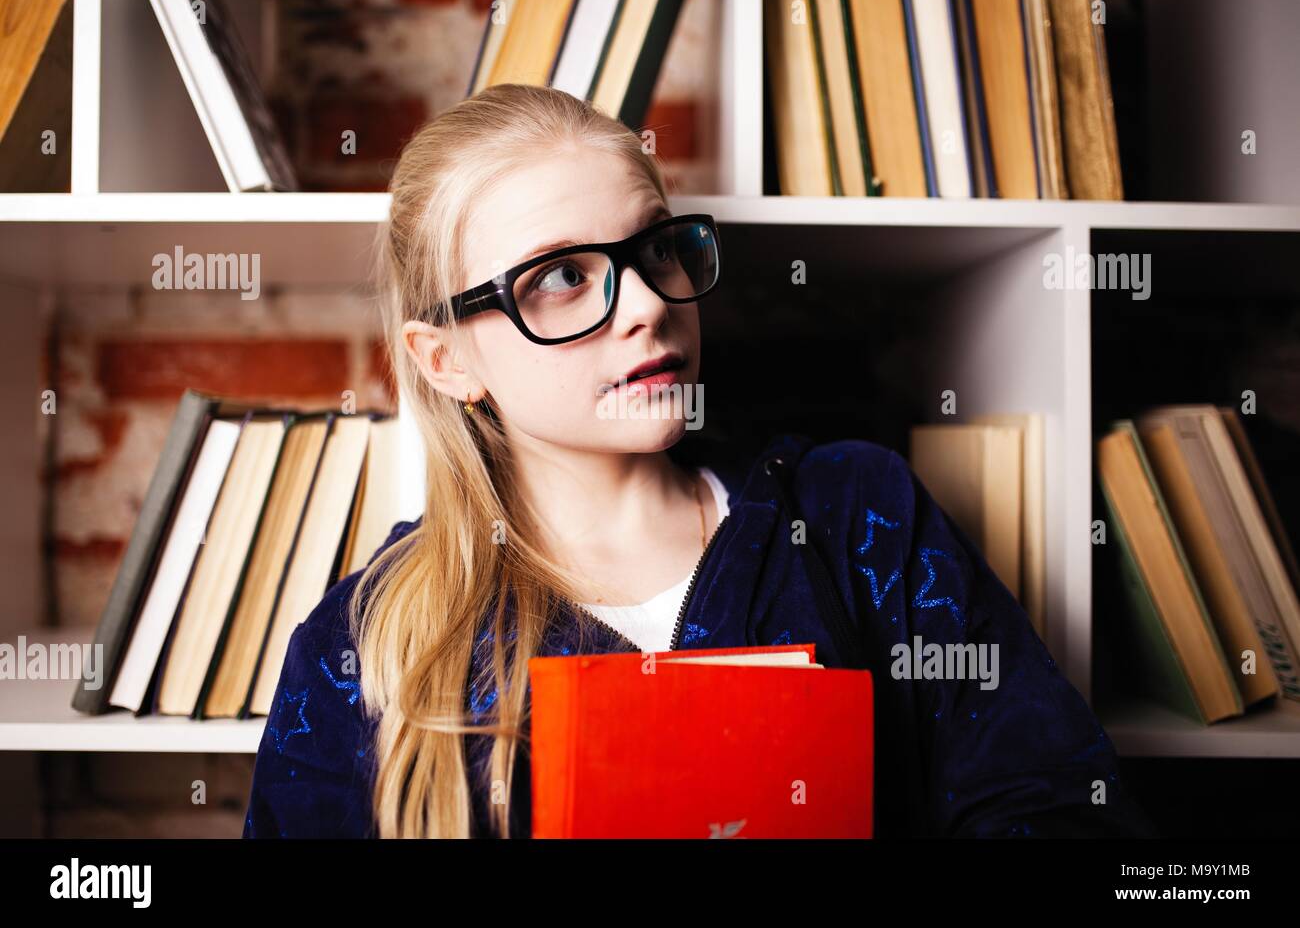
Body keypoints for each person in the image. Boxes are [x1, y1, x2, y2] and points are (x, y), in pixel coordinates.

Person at [243, 83, 1154, 839]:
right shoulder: (366, 647)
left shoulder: (854, 517)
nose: (646, 303)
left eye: (656, 250)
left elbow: (1055, 806)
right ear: (447, 360)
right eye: (561, 276)